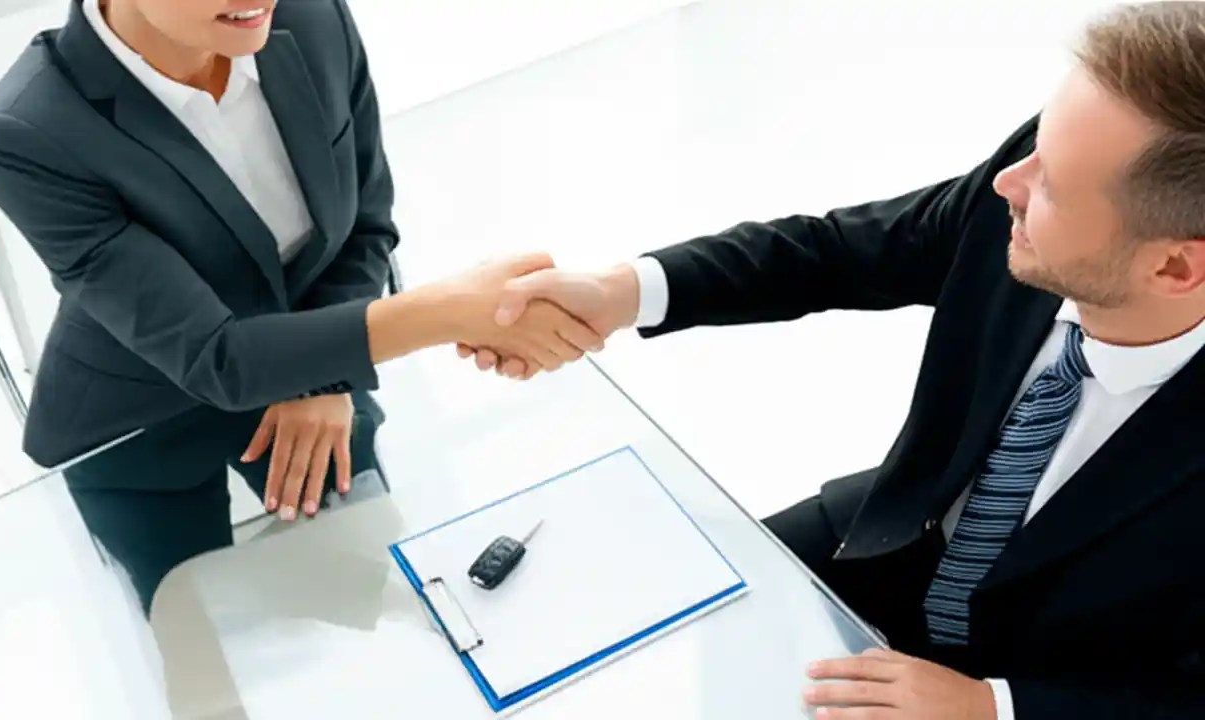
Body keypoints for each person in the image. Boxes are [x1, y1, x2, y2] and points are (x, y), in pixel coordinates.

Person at [460, 3, 1205, 718]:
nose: (1010, 181)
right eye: (1034, 148)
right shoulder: (1039, 174)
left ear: (1176, 269)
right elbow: (842, 251)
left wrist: (992, 707)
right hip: (888, 538)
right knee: (649, 638)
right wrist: (624, 292)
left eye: (1051, 187)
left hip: (1048, 676)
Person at [0, 0, 599, 614]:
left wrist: (325, 379)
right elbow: (217, 355)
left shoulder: (313, 17)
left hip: (312, 376)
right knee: (199, 663)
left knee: (365, 599)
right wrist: (452, 311)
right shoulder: (25, 131)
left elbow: (363, 224)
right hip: (140, 427)